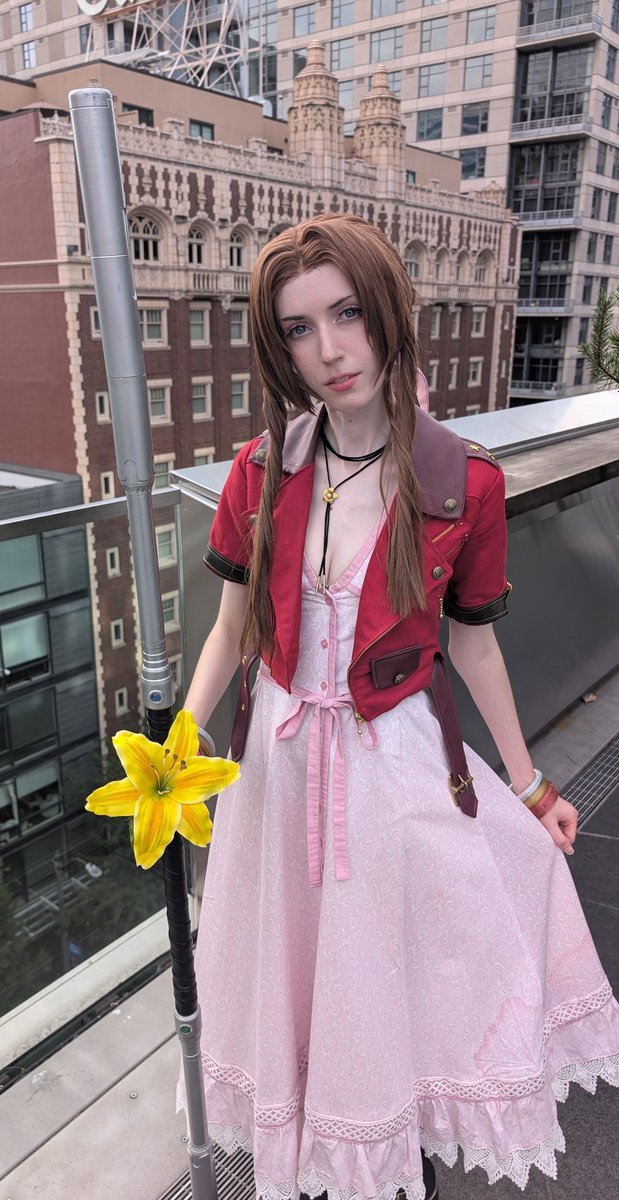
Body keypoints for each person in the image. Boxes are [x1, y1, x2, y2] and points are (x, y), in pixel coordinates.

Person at [180, 214, 619, 1200]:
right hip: (279, 773)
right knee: (298, 993)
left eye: (346, 314)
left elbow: (473, 644)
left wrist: (531, 783)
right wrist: (178, 739)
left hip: (392, 764)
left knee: (390, 988)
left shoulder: (464, 482)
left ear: (386, 311)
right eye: (298, 328)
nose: (329, 350)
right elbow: (231, 630)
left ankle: (387, 1160)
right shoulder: (260, 471)